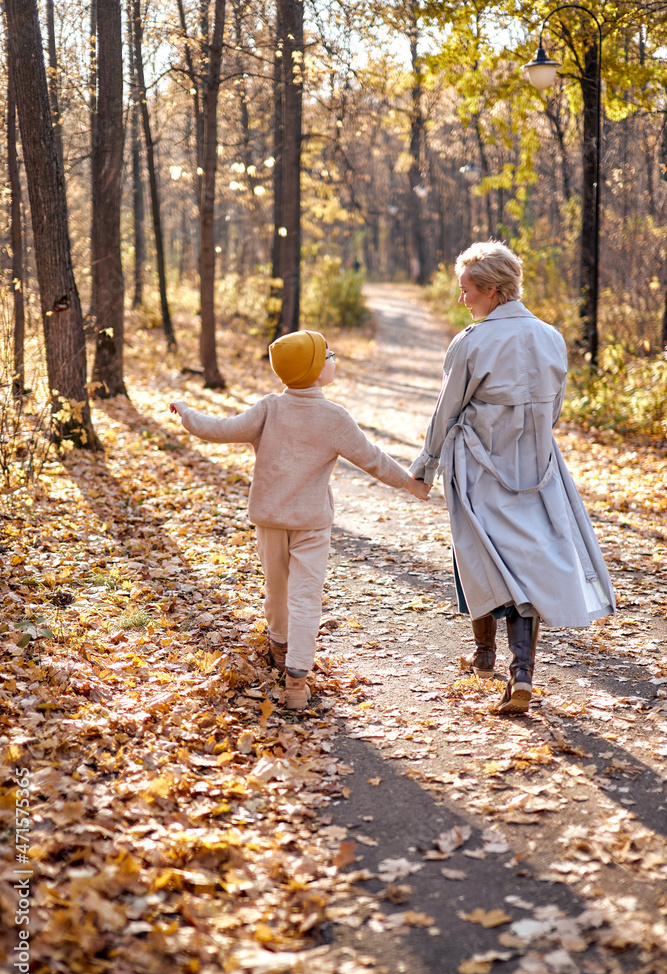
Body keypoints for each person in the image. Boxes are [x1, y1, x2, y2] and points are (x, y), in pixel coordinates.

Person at [170, 330, 430, 710]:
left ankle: (279, 646)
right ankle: (296, 682)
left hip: (270, 521)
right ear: (314, 369)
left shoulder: (269, 408)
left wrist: (186, 412)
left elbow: (220, 429)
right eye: (329, 355)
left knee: (277, 589)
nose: (334, 359)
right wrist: (410, 484)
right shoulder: (334, 418)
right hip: (311, 524)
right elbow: (372, 459)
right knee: (306, 600)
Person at [410, 241, 615, 714]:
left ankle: (488, 656)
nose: (462, 299)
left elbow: (447, 411)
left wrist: (427, 465)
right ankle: (514, 670)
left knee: (480, 551)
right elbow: (555, 408)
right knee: (524, 562)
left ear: (490, 290)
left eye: (466, 290)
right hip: (537, 465)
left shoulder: (471, 341)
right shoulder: (552, 336)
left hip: (480, 463)